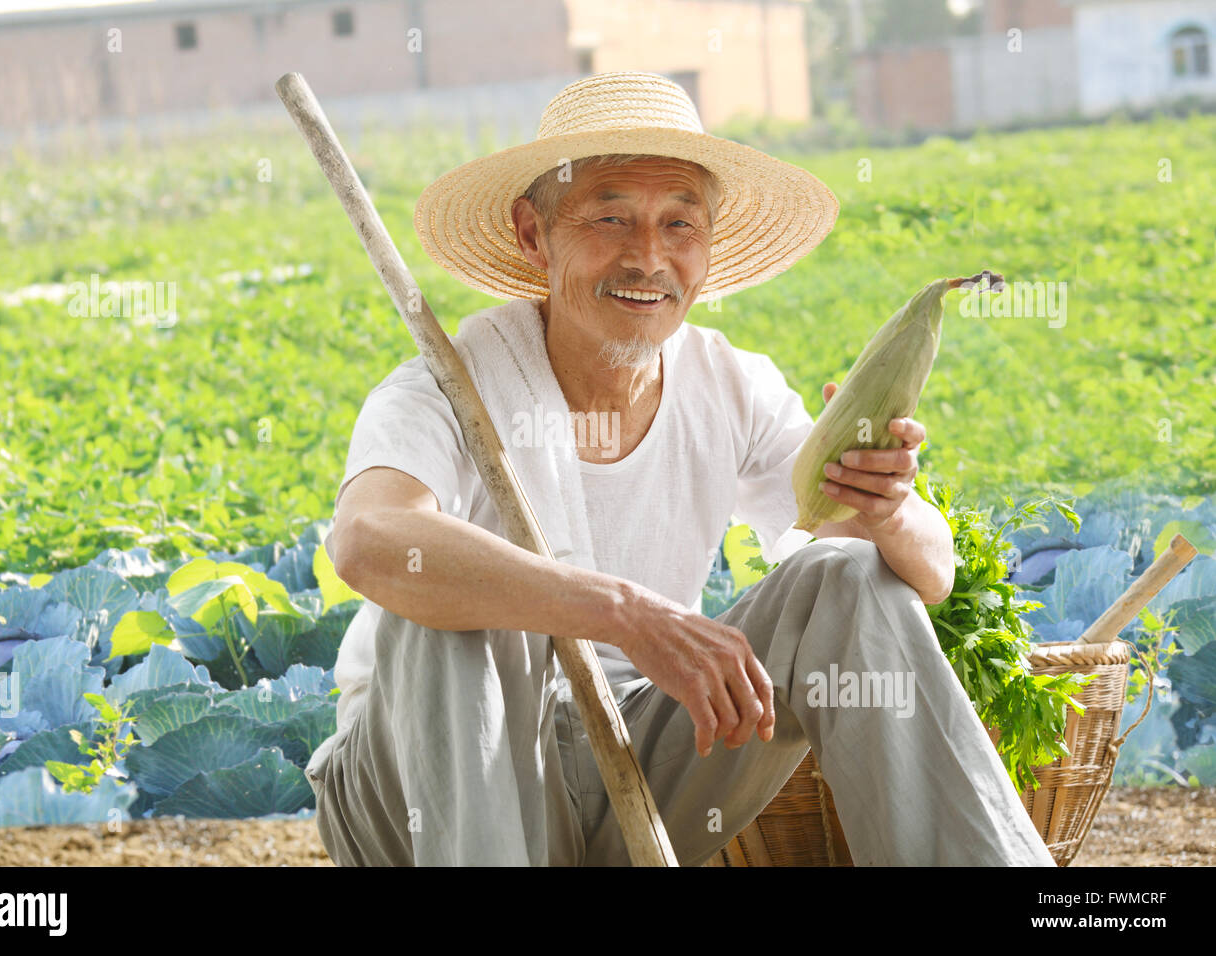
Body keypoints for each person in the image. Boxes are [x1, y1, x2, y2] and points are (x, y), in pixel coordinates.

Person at [304, 71, 1056, 867]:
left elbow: (929, 574)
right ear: (534, 234)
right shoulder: (449, 384)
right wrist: (623, 612)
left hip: (637, 766)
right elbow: (370, 541)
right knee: (459, 607)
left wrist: (886, 507)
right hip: (423, 788)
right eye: (610, 217)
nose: (648, 258)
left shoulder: (734, 386)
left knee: (850, 575)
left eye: (678, 223)